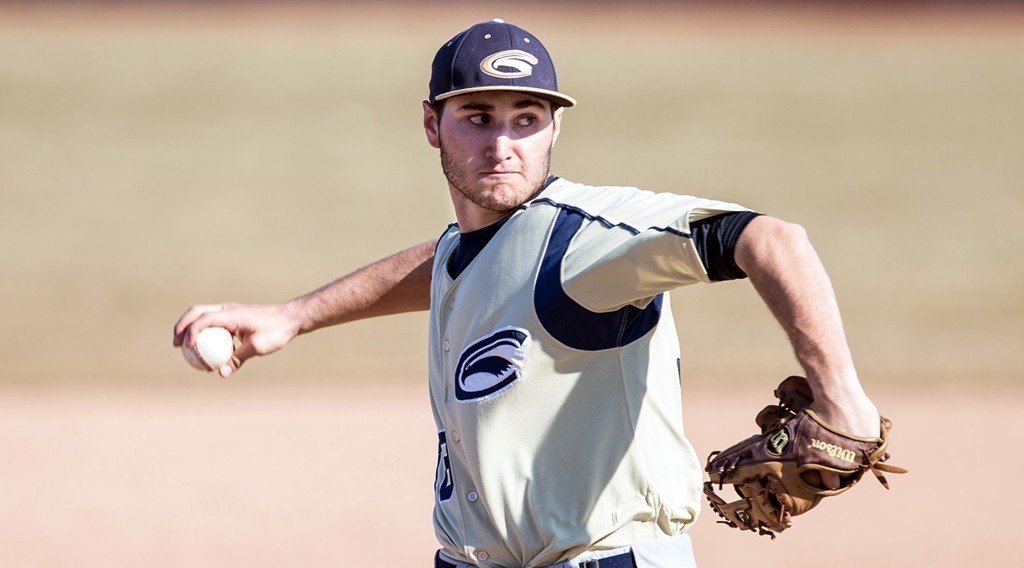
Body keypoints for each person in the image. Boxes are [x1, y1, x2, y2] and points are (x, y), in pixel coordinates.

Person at [173, 19, 882, 568]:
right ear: (432, 124)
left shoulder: (591, 238)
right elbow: (455, 262)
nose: (503, 143)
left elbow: (772, 240)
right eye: (478, 116)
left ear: (555, 127)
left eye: (526, 118)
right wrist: (292, 316)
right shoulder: (483, 247)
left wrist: (842, 396)